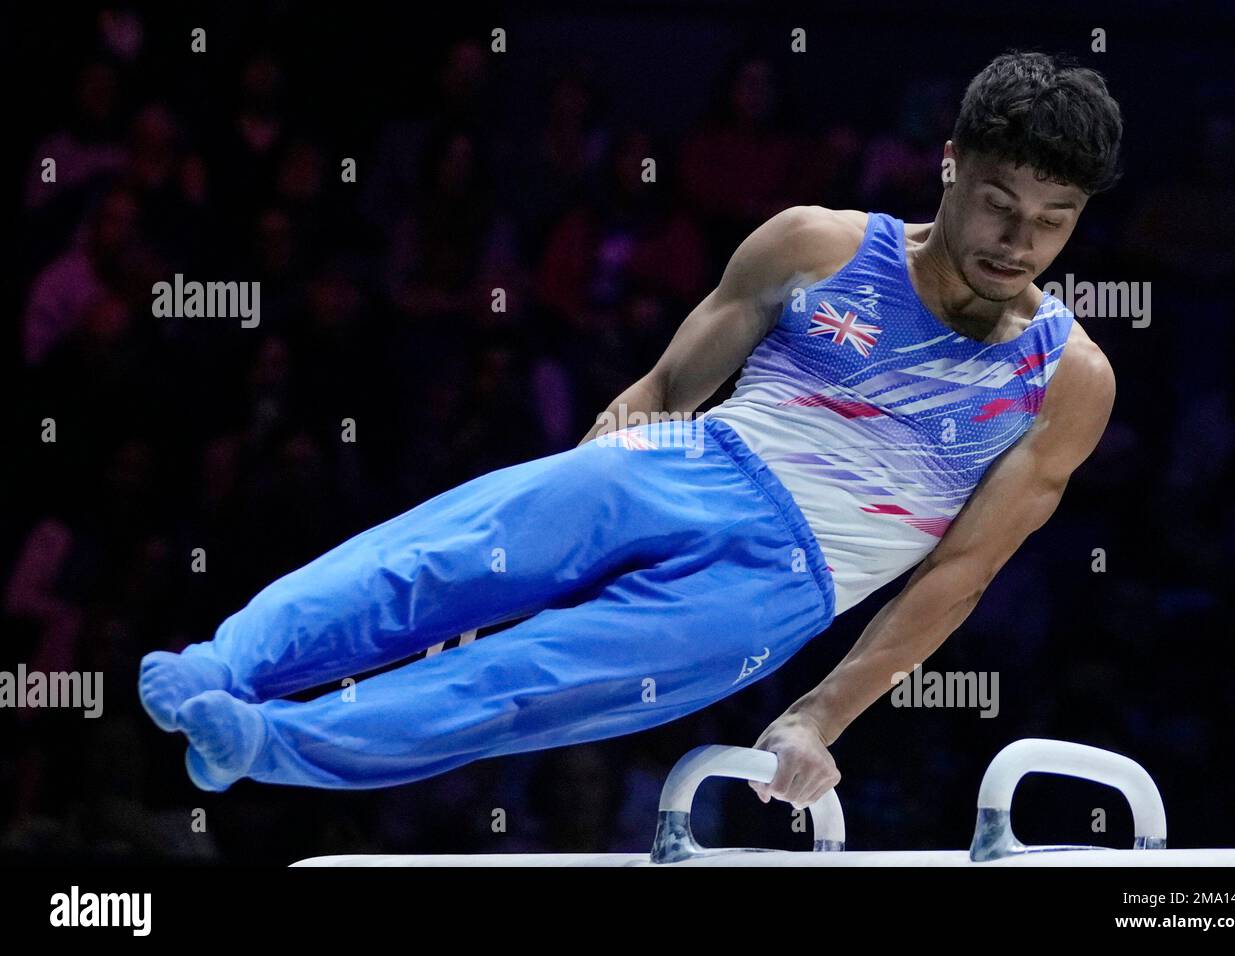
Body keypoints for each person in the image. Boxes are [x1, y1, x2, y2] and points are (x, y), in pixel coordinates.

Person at [139, 51, 1122, 810]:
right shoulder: (816, 244)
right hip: (682, 462)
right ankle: (226, 664)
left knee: (517, 682)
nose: (1018, 243)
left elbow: (960, 573)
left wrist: (816, 716)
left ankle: (265, 746)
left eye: (1054, 219)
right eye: (999, 205)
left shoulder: (1065, 380)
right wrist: (550, 538)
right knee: (439, 558)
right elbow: (661, 389)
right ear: (949, 165)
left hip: (779, 586)